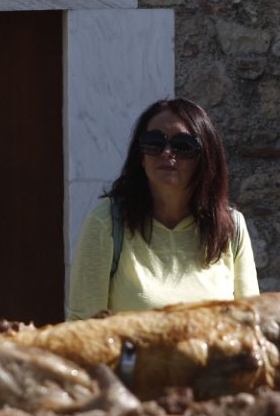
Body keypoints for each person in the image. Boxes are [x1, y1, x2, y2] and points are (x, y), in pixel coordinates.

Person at [66, 98, 258, 321]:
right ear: (141, 156)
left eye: (183, 146)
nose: (167, 153)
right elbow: (83, 327)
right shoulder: (107, 222)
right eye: (154, 143)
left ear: (205, 158)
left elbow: (252, 323)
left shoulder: (231, 227)